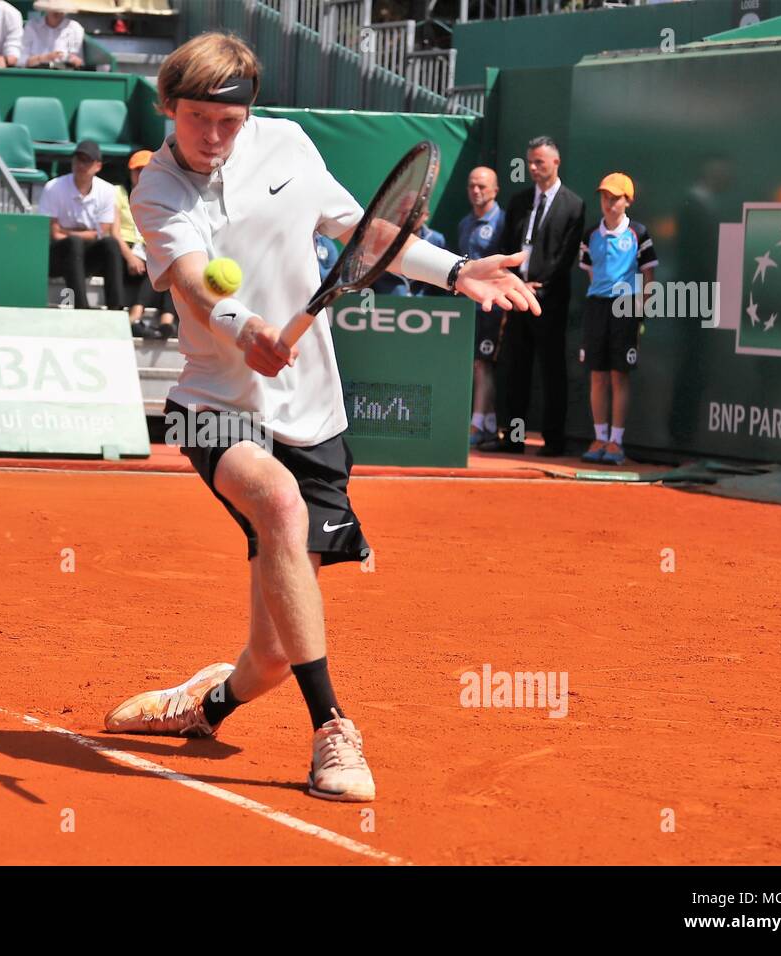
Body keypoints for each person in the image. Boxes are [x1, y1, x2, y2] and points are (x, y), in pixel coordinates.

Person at [105, 32, 538, 802]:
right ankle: (334, 732)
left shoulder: (290, 147)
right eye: (197, 118)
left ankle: (203, 706)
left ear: (251, 115)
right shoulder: (157, 190)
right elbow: (201, 282)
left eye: (229, 123)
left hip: (313, 411)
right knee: (277, 503)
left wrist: (456, 270)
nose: (213, 138)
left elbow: (363, 235)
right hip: (215, 405)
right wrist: (246, 331)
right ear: (169, 108)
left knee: (268, 657)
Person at [492, 135, 585, 456]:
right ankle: (513, 438)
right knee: (517, 370)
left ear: (555, 163)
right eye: (530, 162)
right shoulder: (519, 202)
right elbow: (505, 247)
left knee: (551, 371)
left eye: (539, 162)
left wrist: (540, 286)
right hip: (516, 296)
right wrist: (514, 283)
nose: (532, 168)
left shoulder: (574, 205)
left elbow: (566, 255)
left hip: (550, 302)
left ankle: (553, 440)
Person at [578, 173, 658, 466]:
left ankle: (616, 442)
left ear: (628, 201)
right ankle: (599, 437)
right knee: (597, 376)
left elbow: (649, 275)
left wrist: (642, 309)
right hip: (596, 308)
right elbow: (590, 272)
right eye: (605, 198)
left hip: (626, 308)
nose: (609, 204)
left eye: (615, 198)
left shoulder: (639, 232)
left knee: (618, 375)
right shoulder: (590, 235)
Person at [38, 140, 126, 312]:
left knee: (111, 244)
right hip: (58, 258)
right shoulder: (53, 188)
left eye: (87, 160)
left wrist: (66, 231)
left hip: (86, 258)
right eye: (78, 159)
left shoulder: (107, 191)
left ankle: (116, 307)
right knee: (74, 244)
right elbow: (54, 234)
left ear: (98, 166)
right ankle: (81, 306)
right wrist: (86, 234)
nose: (81, 164)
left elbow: (102, 233)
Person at [458, 166, 506, 448]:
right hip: (468, 308)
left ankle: (478, 423)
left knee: (483, 363)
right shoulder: (464, 224)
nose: (476, 191)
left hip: (494, 307)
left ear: (495, 190)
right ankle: (486, 422)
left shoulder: (503, 222)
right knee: (473, 363)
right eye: (472, 186)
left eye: (482, 186)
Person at [118, 149, 176, 338]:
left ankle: (166, 322)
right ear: (130, 172)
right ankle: (135, 316)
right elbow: (113, 232)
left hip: (149, 251)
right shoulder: (117, 193)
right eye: (138, 170)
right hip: (125, 251)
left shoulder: (165, 198)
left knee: (167, 260)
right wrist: (131, 256)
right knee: (159, 261)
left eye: (146, 169)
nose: (142, 174)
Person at [370, 217, 446, 296]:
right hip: (384, 301)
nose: (407, 218)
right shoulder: (379, 240)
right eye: (404, 213)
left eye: (413, 213)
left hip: (425, 303)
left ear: (425, 216)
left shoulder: (437, 240)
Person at [20, 0, 84, 69]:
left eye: (60, 10)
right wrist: (44, 58)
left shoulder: (74, 28)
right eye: (53, 10)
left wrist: (73, 60)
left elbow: (79, 61)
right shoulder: (32, 26)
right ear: (47, 9)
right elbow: (21, 61)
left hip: (64, 74)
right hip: (34, 74)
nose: (57, 13)